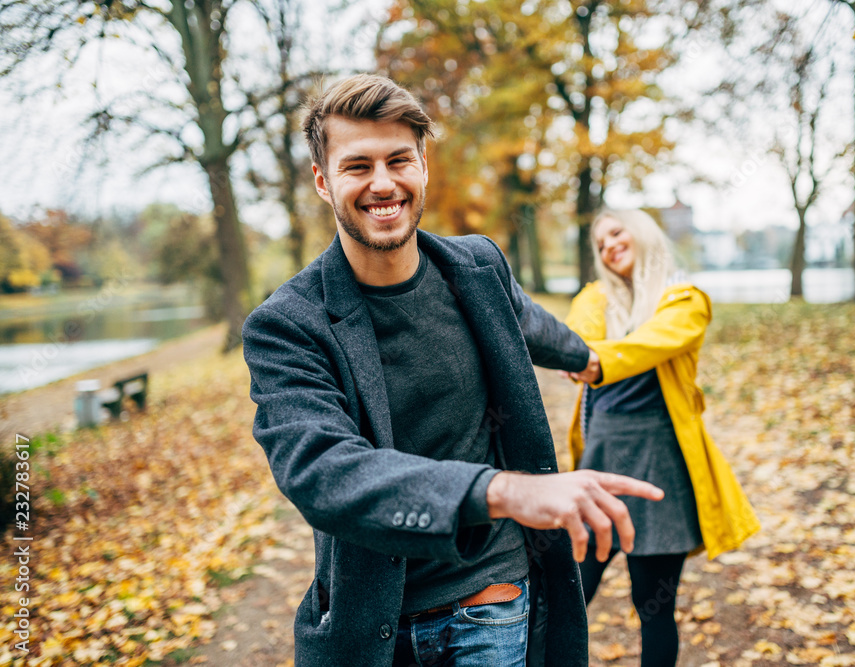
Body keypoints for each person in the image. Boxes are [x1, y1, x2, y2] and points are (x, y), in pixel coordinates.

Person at [241, 74, 663, 667]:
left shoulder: (476, 266)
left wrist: (587, 360)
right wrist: (505, 491)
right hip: (370, 626)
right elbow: (321, 470)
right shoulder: (287, 324)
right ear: (323, 181)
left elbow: (528, 322)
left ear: (423, 168)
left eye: (399, 160)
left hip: (491, 598)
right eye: (357, 166)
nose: (383, 183)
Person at [562, 209, 760, 667]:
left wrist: (594, 361)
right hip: (603, 464)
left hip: (661, 474)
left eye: (616, 232)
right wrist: (580, 354)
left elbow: (651, 344)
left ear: (642, 232)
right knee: (568, 596)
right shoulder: (595, 298)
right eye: (600, 242)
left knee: (654, 609)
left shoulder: (684, 300)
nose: (608, 245)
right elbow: (578, 338)